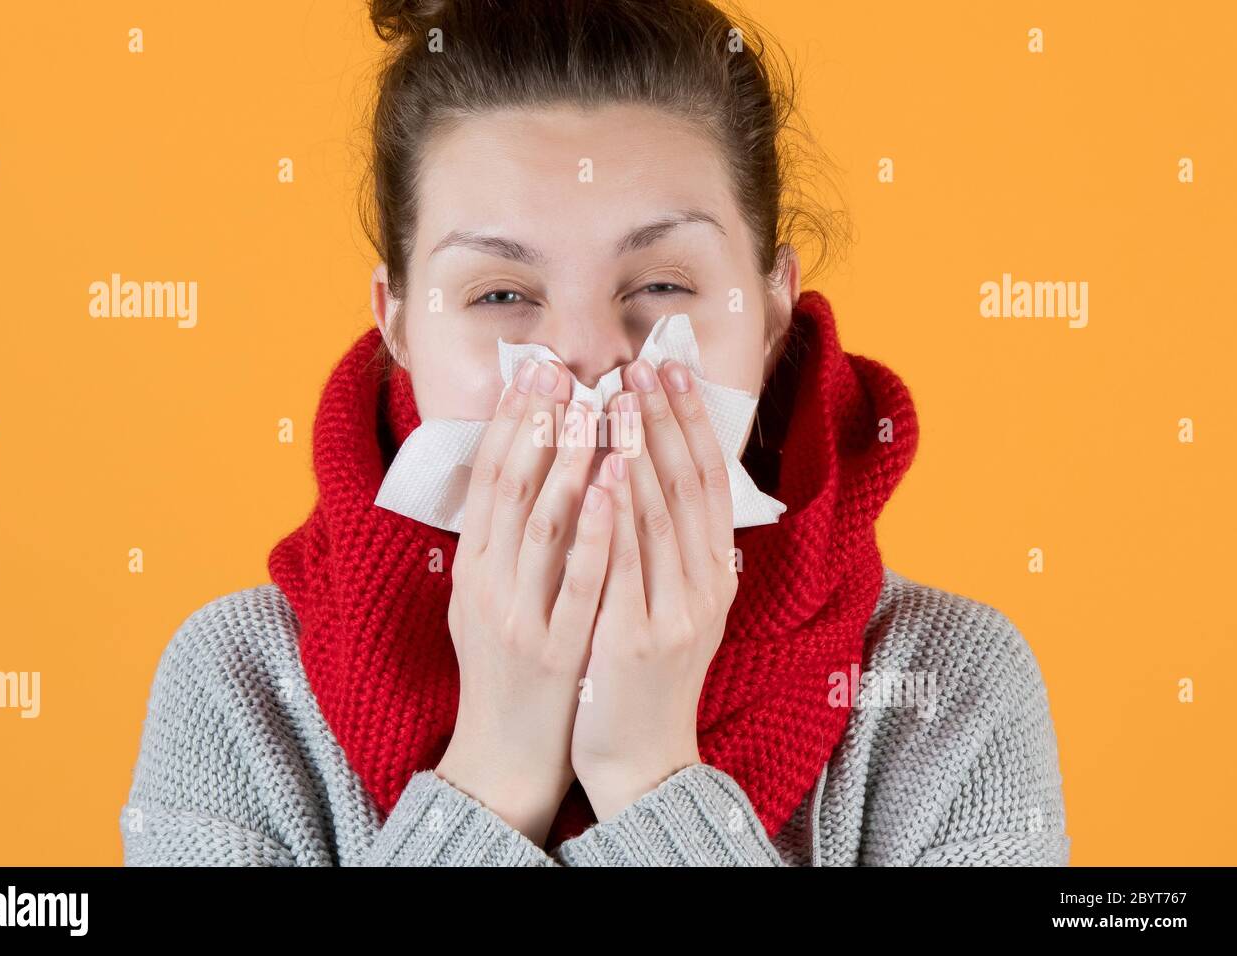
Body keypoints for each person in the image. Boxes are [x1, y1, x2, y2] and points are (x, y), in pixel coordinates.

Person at [119, 0, 1069, 866]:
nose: (586, 362)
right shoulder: (240, 692)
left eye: (662, 286)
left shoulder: (947, 693)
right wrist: (495, 767)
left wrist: (649, 772)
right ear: (397, 322)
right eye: (501, 294)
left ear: (773, 309)